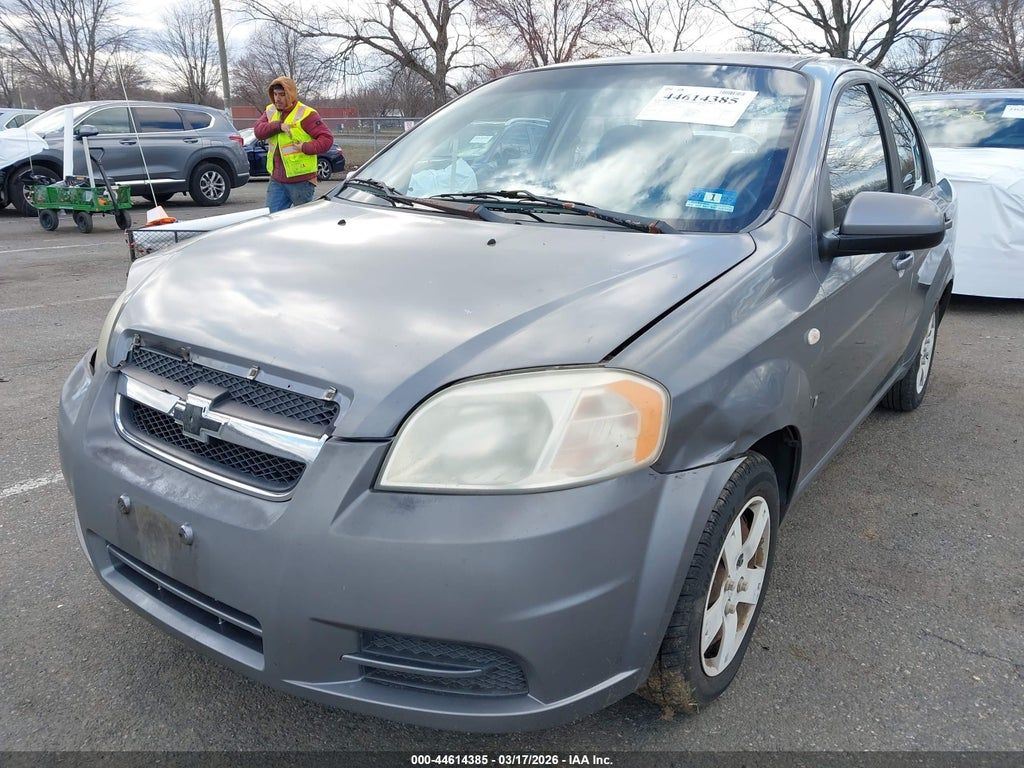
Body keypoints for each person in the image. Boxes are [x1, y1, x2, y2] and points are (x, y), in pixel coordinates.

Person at [253, 76, 335, 213]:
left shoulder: (306, 114)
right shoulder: (271, 111)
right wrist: (279, 126)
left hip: (301, 181)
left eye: (282, 94)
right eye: (275, 94)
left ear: (290, 94)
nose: (277, 98)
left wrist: (305, 147)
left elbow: (327, 139)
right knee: (271, 221)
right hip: (277, 180)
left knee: (302, 224)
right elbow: (258, 132)